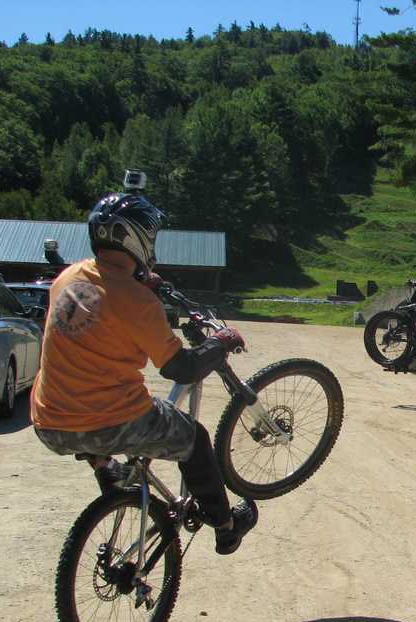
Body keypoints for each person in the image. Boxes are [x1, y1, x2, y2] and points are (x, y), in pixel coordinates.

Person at [31, 192, 257, 555]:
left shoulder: (68, 278)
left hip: (49, 423)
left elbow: (103, 305)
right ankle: (227, 527)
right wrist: (219, 343)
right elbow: (180, 367)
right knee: (195, 439)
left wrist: (139, 281)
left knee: (94, 407)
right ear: (139, 238)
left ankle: (106, 469)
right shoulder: (138, 302)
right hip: (107, 420)